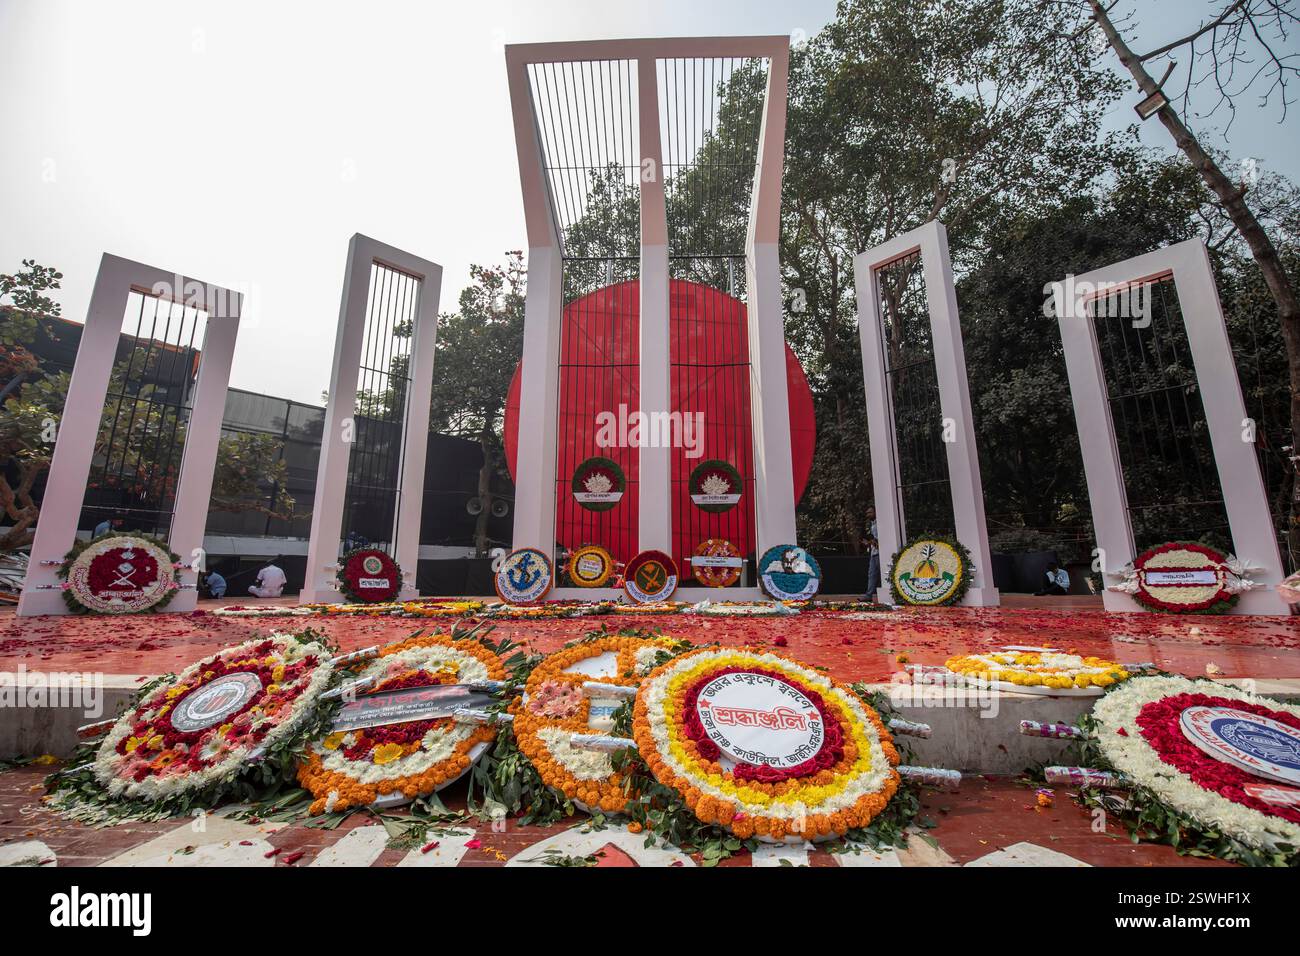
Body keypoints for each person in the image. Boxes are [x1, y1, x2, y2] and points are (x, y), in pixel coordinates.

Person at [860, 506, 880, 601]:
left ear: (876, 512)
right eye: (867, 513)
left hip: (880, 553)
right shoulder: (871, 524)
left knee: (883, 574)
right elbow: (874, 541)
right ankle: (868, 595)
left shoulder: (879, 524)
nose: (868, 515)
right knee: (871, 574)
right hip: (873, 553)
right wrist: (868, 543)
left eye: (870, 512)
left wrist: (874, 542)